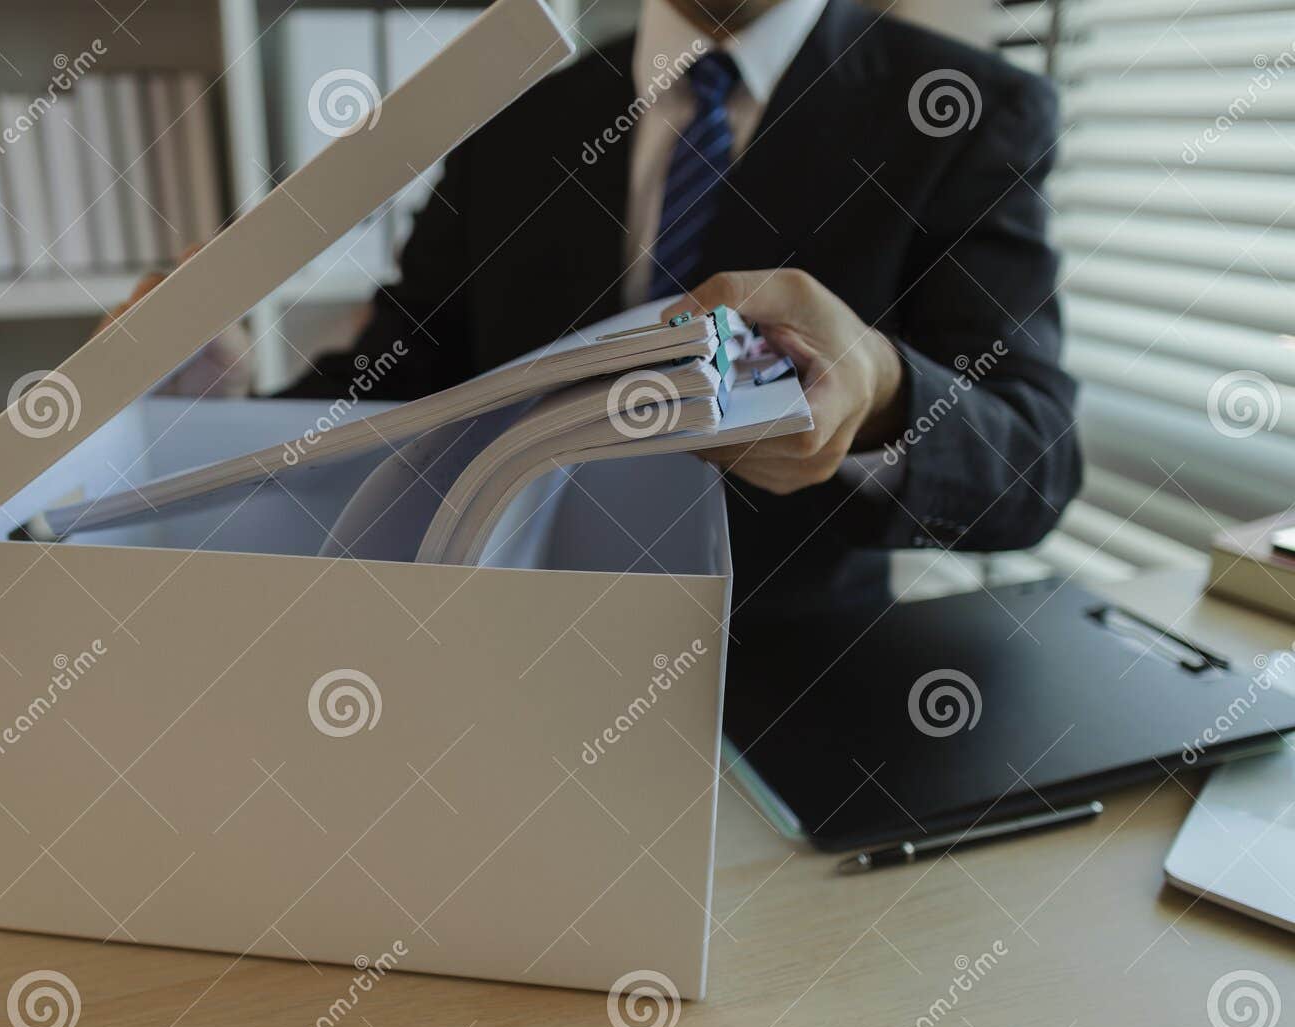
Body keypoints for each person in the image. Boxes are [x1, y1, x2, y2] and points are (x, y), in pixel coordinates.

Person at [109, 0, 1080, 643]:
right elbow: (401, 382)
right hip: (498, 662)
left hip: (791, 697)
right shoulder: (513, 115)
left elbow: (1035, 461)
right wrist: (212, 408)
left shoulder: (969, 111)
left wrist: (876, 393)